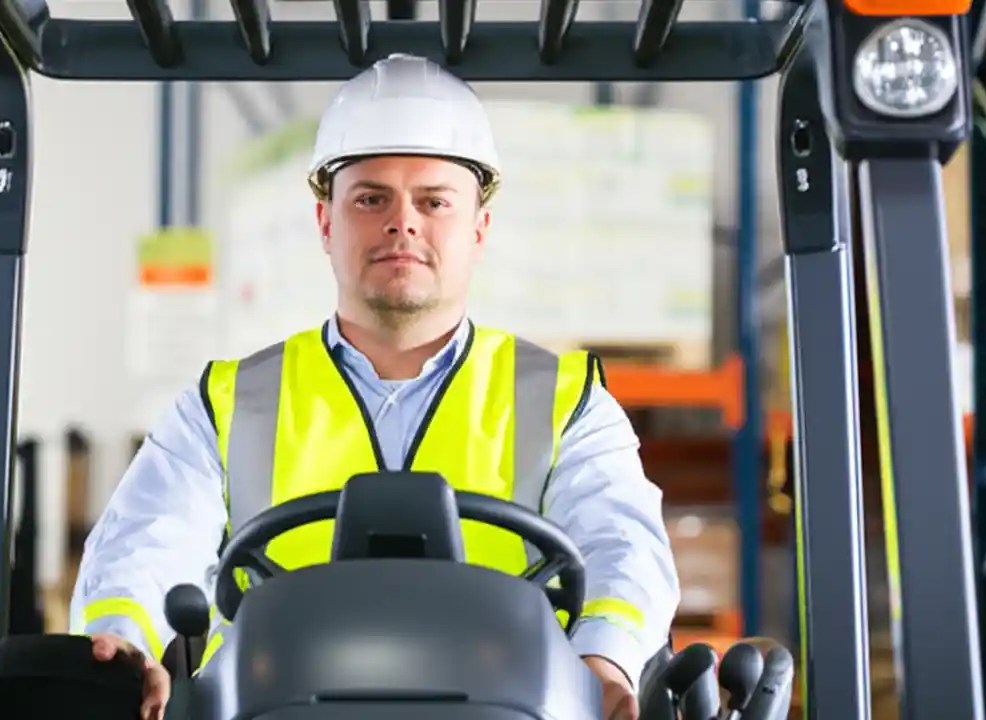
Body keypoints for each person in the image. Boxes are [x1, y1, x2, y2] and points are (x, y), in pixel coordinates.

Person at [70, 53, 680, 720]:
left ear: (479, 226)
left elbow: (621, 542)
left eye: (433, 201)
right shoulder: (228, 403)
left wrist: (605, 661)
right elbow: (147, 540)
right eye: (371, 198)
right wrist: (123, 641)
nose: (403, 222)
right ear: (326, 222)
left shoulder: (564, 400)